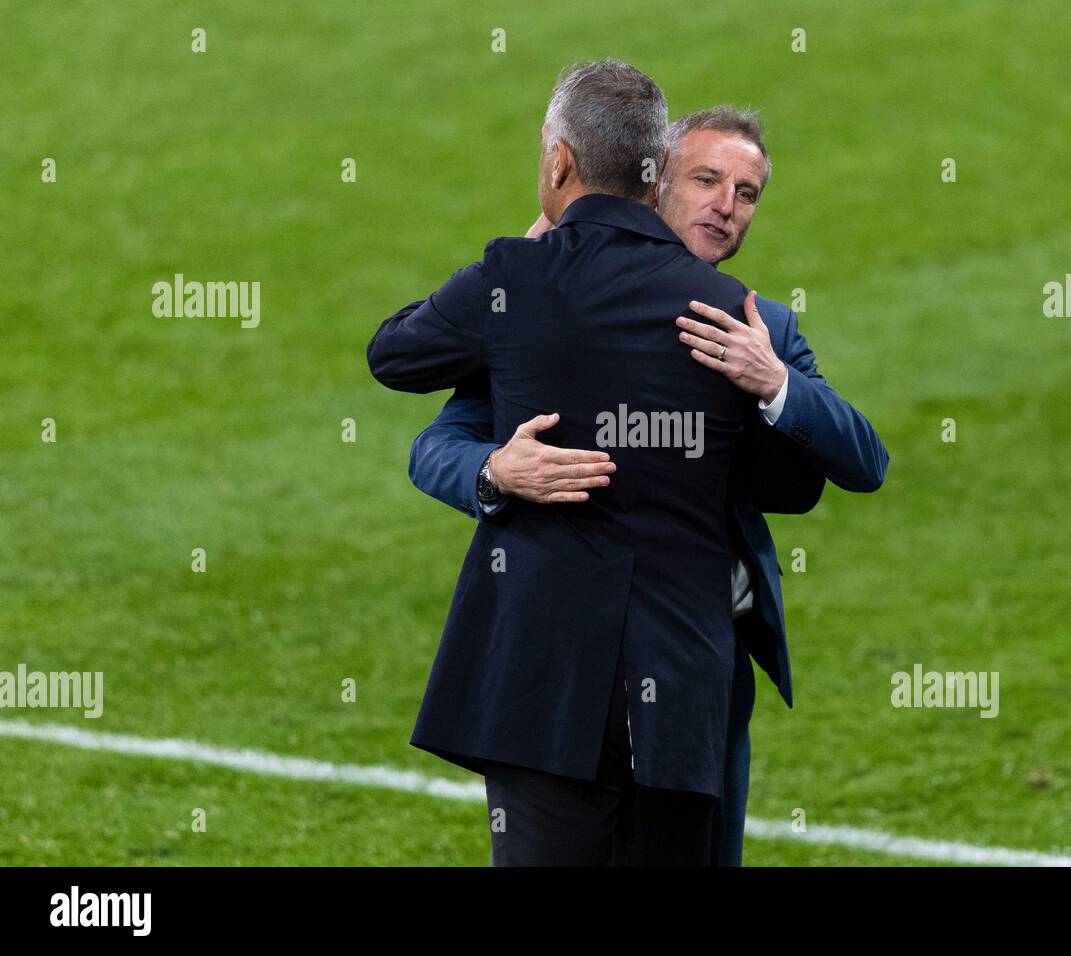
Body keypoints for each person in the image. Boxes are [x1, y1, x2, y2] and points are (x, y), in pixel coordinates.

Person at [404, 106, 890, 865]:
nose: (726, 205)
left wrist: (774, 384)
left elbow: (865, 461)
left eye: (748, 192)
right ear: (651, 182)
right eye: (706, 179)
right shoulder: (544, 304)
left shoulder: (763, 329)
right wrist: (494, 469)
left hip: (698, 665)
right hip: (557, 663)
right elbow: (439, 443)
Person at [368, 60, 766, 864]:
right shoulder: (731, 314)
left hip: (541, 694)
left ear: (558, 162)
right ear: (656, 176)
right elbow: (791, 482)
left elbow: (395, 353)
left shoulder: (514, 285)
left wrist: (520, 250)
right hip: (680, 700)